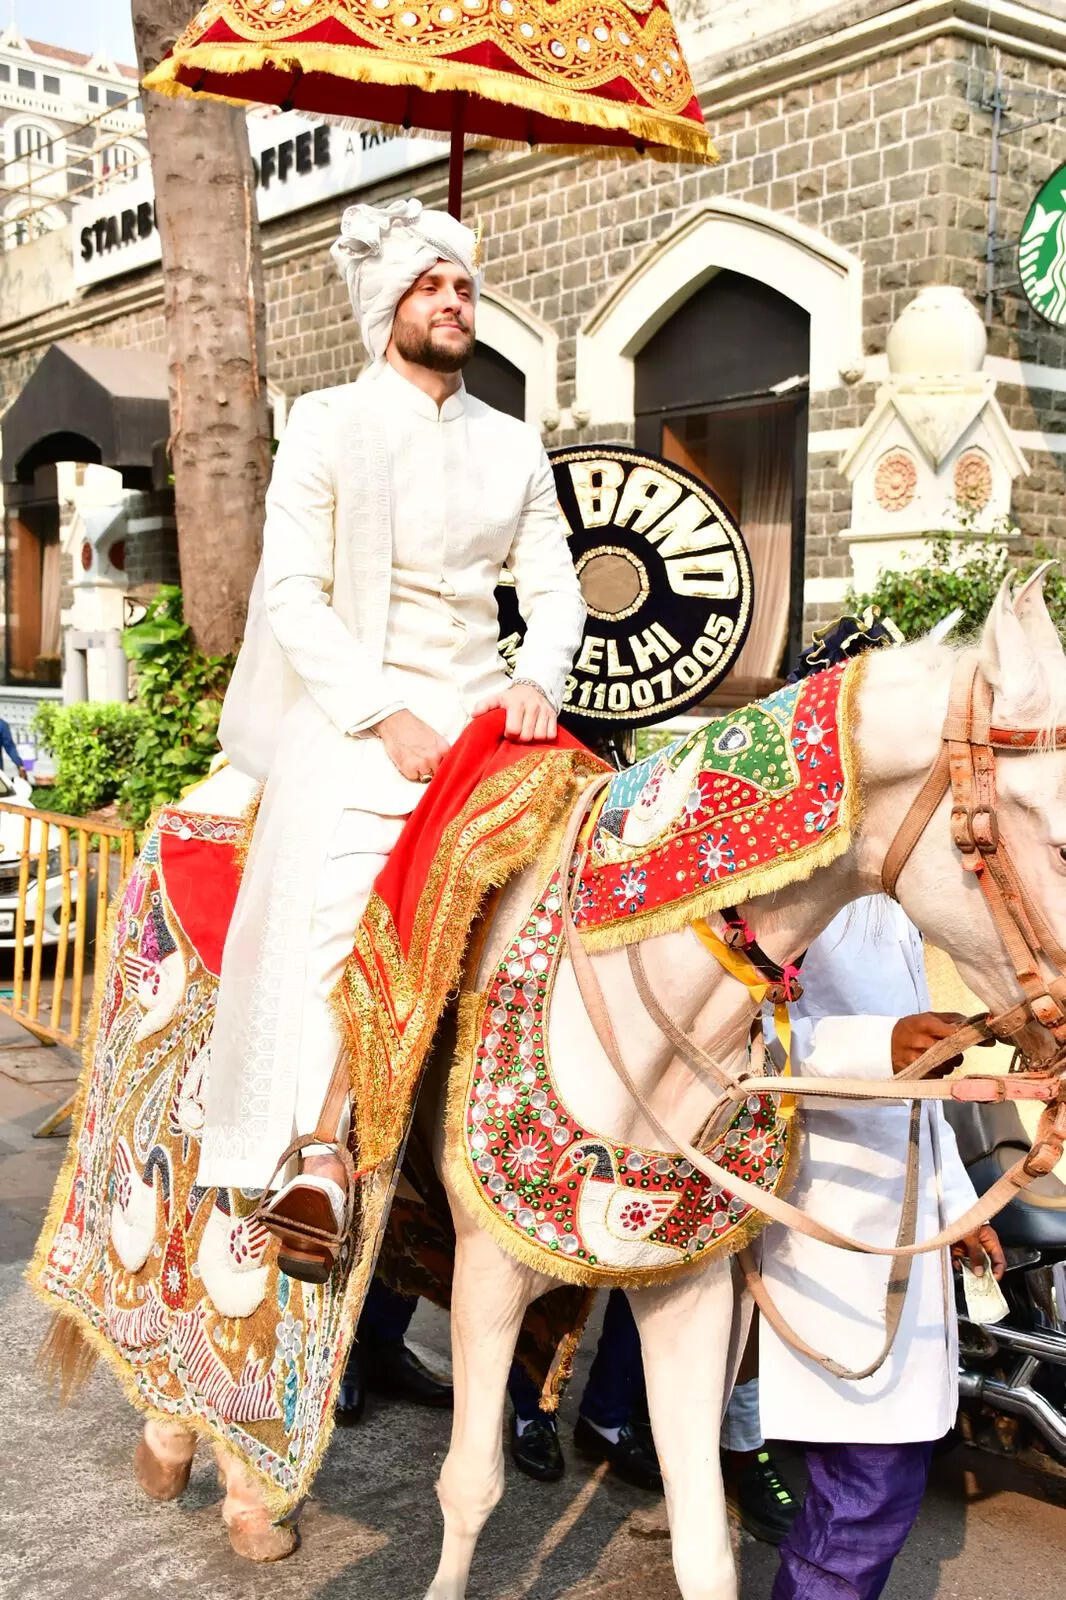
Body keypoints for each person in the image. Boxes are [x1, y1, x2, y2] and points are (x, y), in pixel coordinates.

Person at [195, 197, 586, 1280]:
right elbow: (296, 597)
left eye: (463, 285)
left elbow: (554, 593)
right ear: (387, 310)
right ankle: (313, 1154)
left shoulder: (512, 441)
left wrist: (535, 680)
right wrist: (385, 714)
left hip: (486, 722)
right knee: (341, 927)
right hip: (361, 719)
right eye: (430, 286)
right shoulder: (327, 423)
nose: (454, 301)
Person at [757, 897, 1005, 1600]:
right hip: (828, 1226)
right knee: (868, 1488)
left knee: (872, 1487)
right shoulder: (794, 878)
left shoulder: (893, 908)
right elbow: (730, 1040)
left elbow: (923, 1104)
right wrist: (878, 1045)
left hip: (901, 1232)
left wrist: (961, 1212)